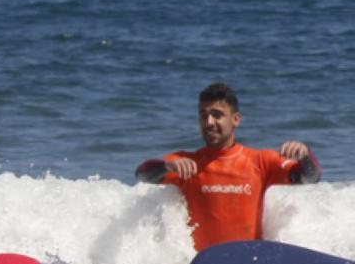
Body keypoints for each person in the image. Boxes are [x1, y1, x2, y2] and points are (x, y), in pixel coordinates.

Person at [135, 82, 321, 252]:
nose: (209, 122)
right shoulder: (185, 163)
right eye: (203, 116)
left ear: (236, 119)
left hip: (249, 261)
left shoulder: (260, 161)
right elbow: (142, 174)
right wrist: (166, 166)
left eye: (217, 115)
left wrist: (305, 155)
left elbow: (311, 177)